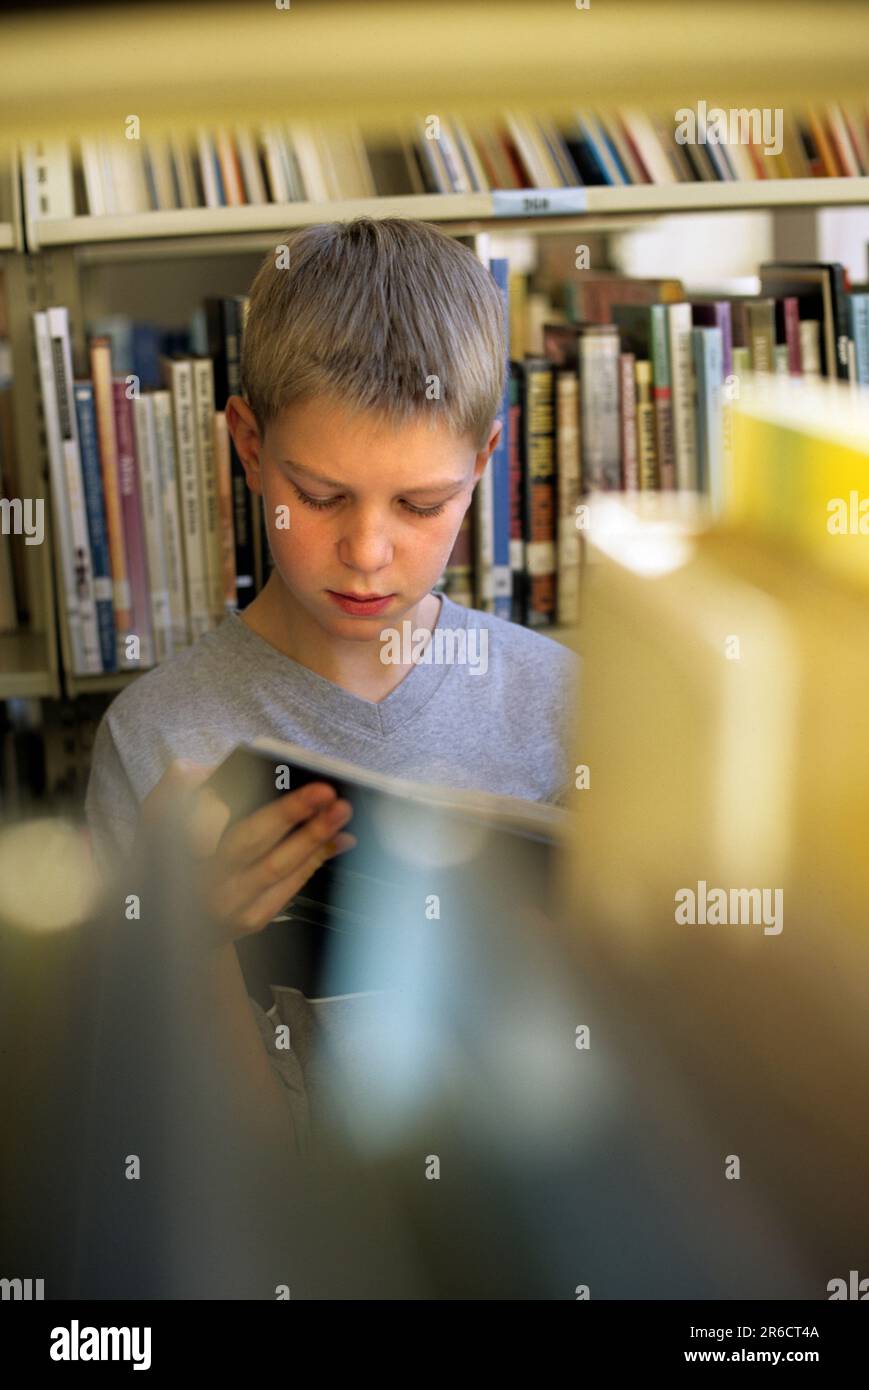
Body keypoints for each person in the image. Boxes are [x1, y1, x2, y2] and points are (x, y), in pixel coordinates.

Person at [84, 217, 579, 1148]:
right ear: (247, 447)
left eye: (422, 505)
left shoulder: (558, 704)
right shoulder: (156, 737)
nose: (366, 553)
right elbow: (126, 1120)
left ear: (483, 464)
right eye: (317, 497)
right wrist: (182, 936)